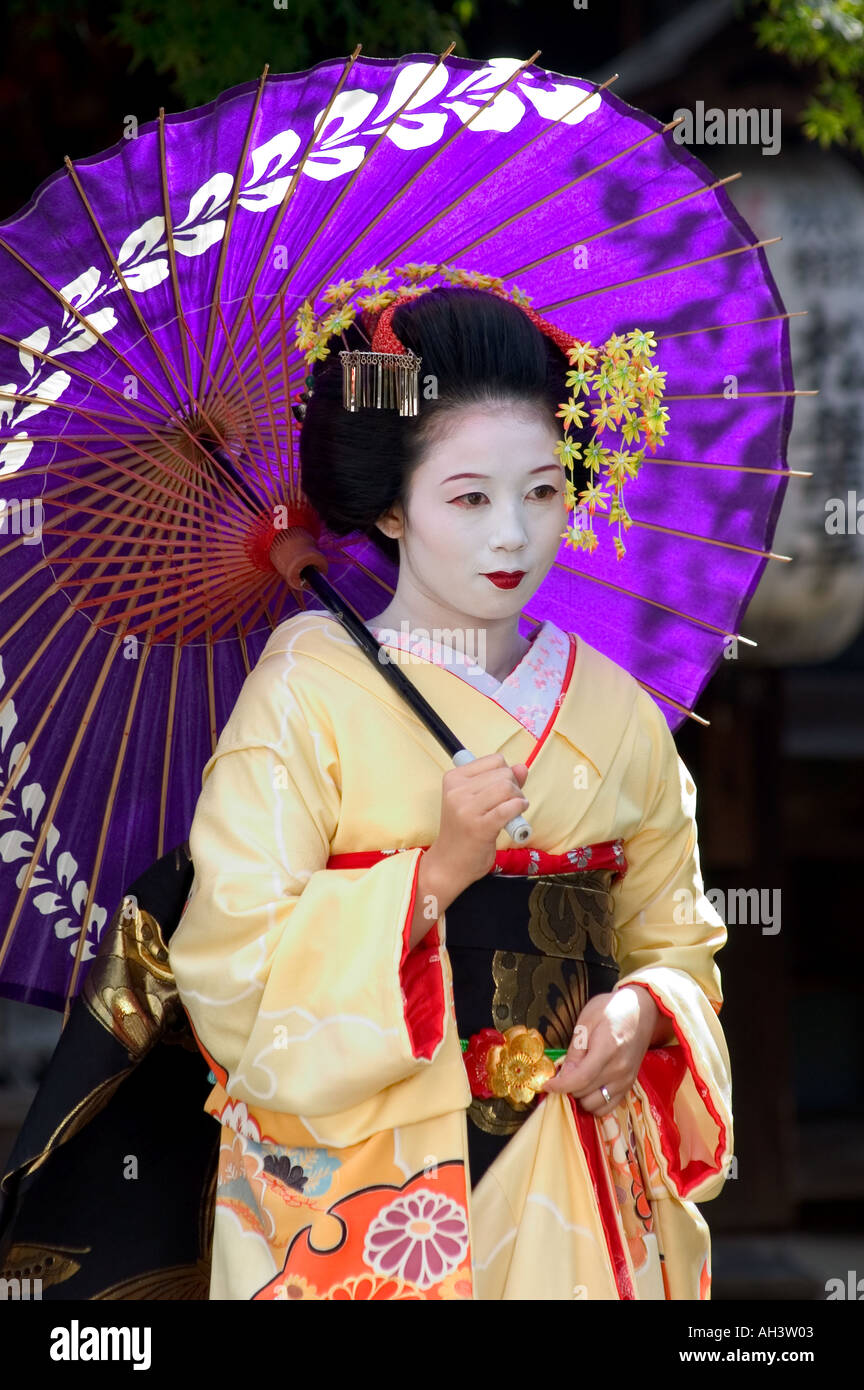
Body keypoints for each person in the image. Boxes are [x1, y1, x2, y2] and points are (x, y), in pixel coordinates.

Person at [167, 284, 733, 1301]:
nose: (511, 536)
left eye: (544, 491)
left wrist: (646, 1011)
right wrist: (431, 876)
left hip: (577, 1161)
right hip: (376, 1193)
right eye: (469, 498)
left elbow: (675, 941)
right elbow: (228, 966)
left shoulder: (615, 712)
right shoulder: (308, 688)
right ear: (390, 503)